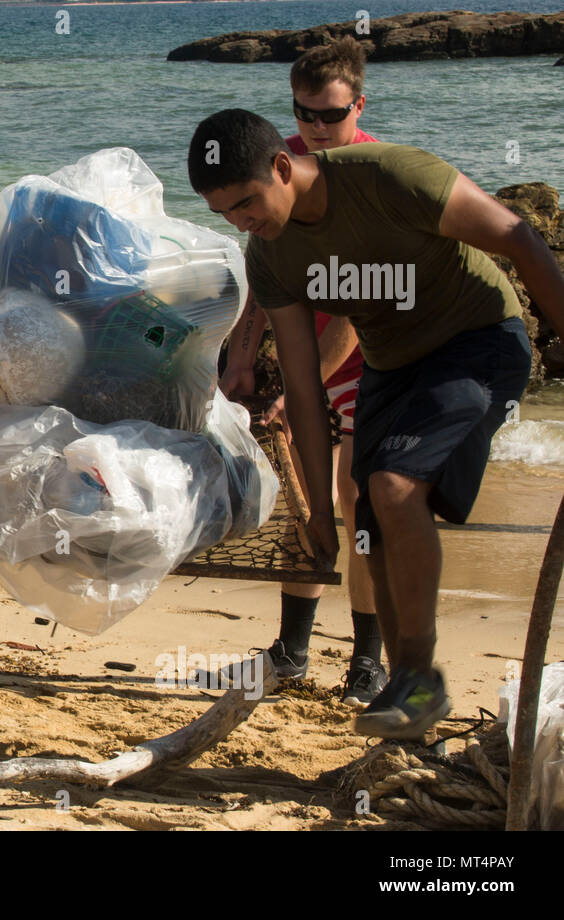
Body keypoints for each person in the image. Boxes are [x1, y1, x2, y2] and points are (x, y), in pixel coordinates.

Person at [187, 109, 564, 739]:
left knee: (392, 487)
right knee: (368, 517)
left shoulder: (390, 176)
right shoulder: (272, 256)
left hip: (477, 339)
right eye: (225, 213)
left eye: (248, 202)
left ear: (284, 166)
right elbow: (305, 393)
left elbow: (517, 235)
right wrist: (312, 513)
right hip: (393, 365)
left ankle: (417, 683)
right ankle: (405, 681)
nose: (242, 221)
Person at [210, 38, 383, 705]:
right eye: (304, 114)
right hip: (302, 349)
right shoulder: (278, 162)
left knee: (358, 503)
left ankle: (367, 665)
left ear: (357, 106)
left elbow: (362, 310)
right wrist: (246, 358)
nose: (315, 128)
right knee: (305, 508)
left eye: (330, 116)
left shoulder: (370, 176)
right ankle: (291, 653)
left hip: (375, 359)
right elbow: (264, 271)